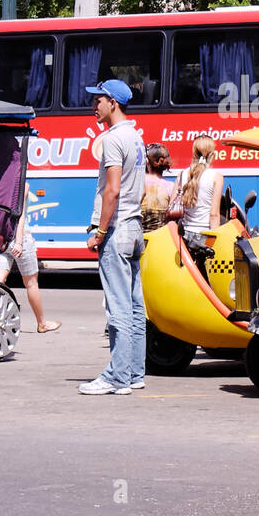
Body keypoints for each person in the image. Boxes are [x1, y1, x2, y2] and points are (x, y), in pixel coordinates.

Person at [79, 79, 147, 395]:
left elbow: (112, 189)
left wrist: (101, 231)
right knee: (135, 305)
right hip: (134, 228)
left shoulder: (113, 139)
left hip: (117, 229)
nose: (94, 106)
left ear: (113, 103)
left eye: (98, 101)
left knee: (118, 305)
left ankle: (117, 376)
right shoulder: (136, 137)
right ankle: (134, 373)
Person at [0, 191, 60, 332]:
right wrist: (18, 242)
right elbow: (20, 216)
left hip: (1, 237)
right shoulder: (22, 185)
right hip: (21, 238)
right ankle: (42, 323)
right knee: (31, 283)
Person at [176, 135, 224, 276]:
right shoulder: (216, 176)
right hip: (204, 238)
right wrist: (217, 242)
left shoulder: (181, 175)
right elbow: (214, 214)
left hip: (183, 237)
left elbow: (173, 207)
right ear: (212, 154)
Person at [140, 143, 173, 233]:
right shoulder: (170, 186)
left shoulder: (137, 183)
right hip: (160, 239)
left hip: (137, 237)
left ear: (146, 161)